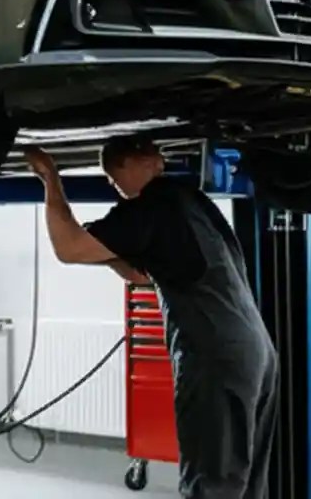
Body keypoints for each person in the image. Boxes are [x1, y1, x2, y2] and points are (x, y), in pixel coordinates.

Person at [23, 136, 278, 499]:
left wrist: (50, 178)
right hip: (257, 355)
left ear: (131, 165)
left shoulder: (149, 207)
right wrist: (109, 252)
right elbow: (141, 273)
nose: (117, 190)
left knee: (211, 485)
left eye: (113, 181)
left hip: (214, 358)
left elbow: (69, 246)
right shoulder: (189, 202)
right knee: (247, 486)